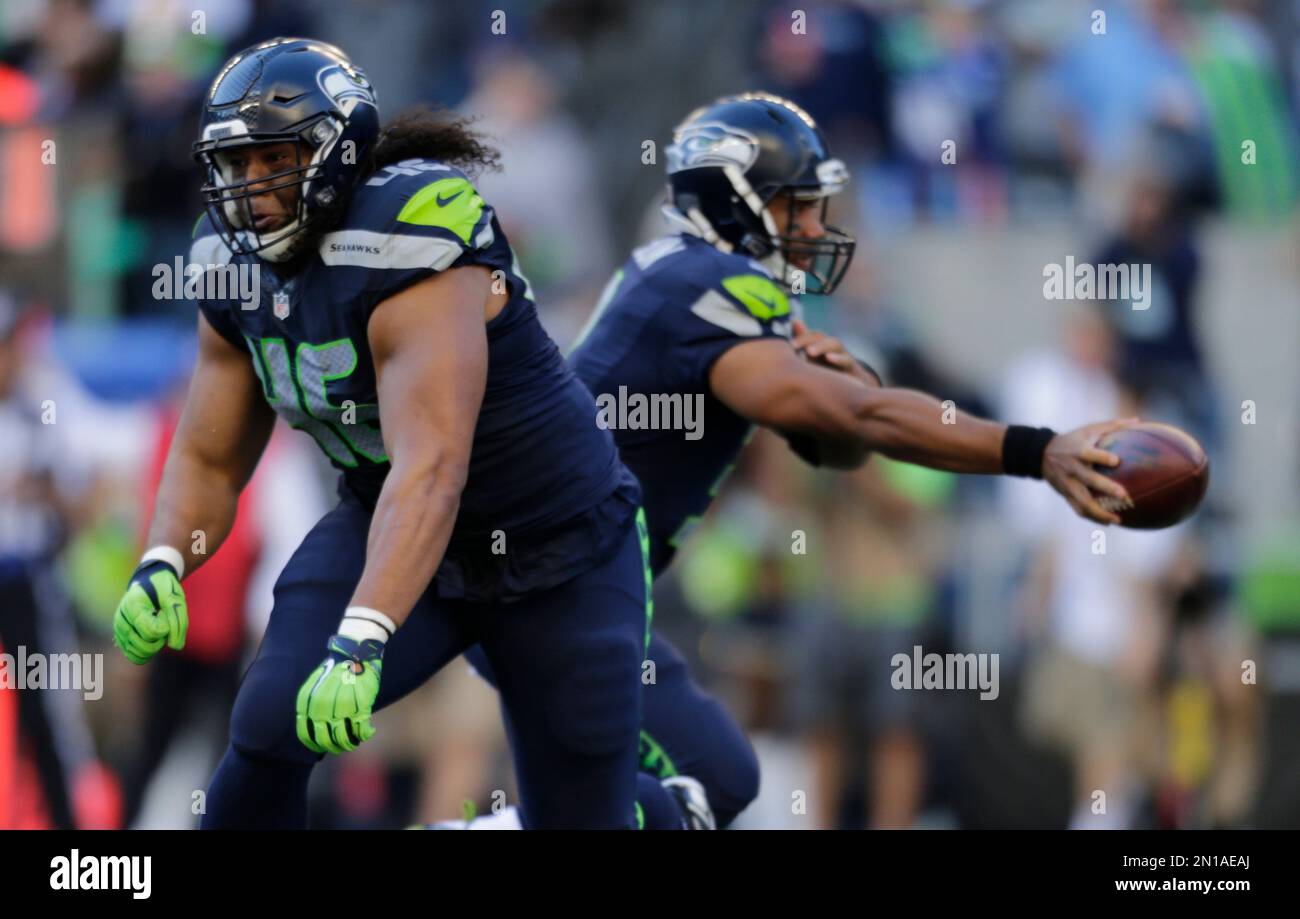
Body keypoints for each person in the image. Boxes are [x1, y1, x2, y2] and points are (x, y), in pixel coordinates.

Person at [460, 93, 1138, 830]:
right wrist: (1037, 451)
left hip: (568, 592)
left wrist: (839, 385)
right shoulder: (711, 285)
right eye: (797, 208)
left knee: (712, 778)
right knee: (688, 784)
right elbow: (861, 421)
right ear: (734, 206)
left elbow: (836, 443)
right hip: (547, 592)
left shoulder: (692, 278)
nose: (817, 228)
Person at [110, 38, 651, 830]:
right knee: (267, 723)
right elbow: (210, 452)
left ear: (337, 153)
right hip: (387, 516)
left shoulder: (408, 232)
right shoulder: (226, 260)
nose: (251, 190)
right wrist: (163, 557)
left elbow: (434, 466)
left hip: (557, 542)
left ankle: (669, 813)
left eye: (273, 160)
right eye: (235, 165)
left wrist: (362, 635)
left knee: (581, 819)